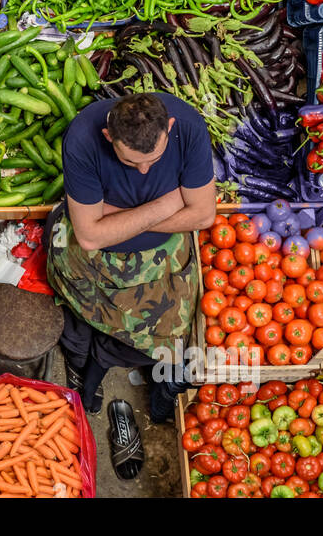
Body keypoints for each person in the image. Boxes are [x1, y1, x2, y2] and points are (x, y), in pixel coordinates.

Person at [45, 92, 215, 478]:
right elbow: (88, 237)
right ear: (109, 136)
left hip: (162, 254)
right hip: (90, 256)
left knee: (166, 334)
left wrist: (119, 218)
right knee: (77, 302)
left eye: (152, 161)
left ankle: (103, 377)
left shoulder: (188, 128)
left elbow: (203, 215)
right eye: (129, 162)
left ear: (168, 129)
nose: (142, 171)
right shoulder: (83, 138)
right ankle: (80, 368)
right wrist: (169, 204)